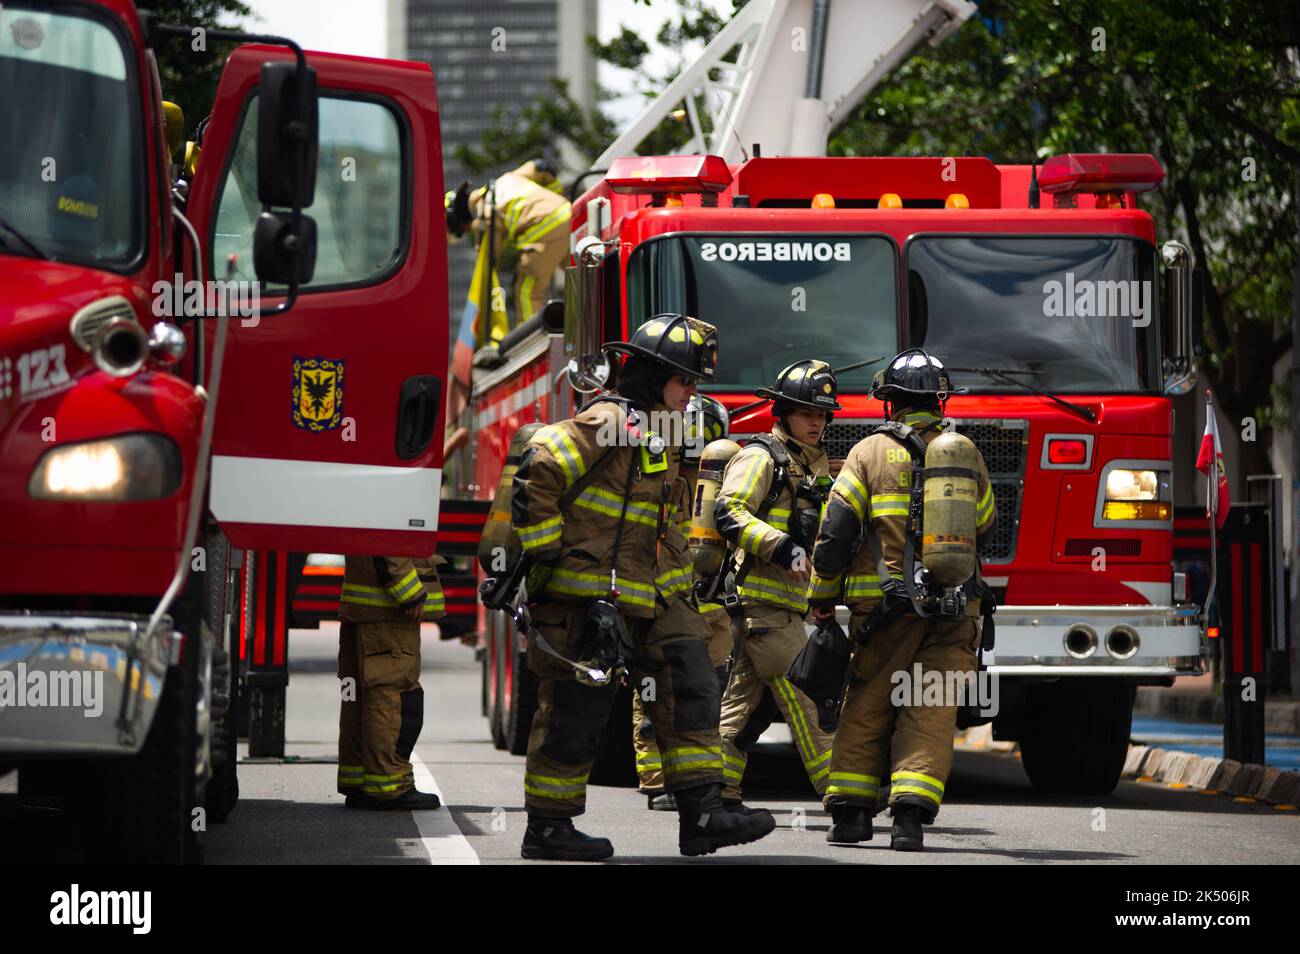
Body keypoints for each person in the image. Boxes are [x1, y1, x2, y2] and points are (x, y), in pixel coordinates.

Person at [511, 314, 776, 860]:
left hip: (652, 597)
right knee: (576, 710)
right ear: (655, 379)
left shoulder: (660, 435)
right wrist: (548, 554)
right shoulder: (608, 420)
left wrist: (682, 596)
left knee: (692, 683)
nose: (692, 395)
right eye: (687, 382)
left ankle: (703, 813)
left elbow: (657, 525)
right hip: (585, 600)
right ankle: (549, 828)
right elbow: (539, 464)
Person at [809, 349, 996, 851]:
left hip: (885, 609)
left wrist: (822, 597)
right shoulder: (965, 452)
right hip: (955, 606)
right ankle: (909, 820)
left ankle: (850, 817)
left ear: (889, 403)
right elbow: (984, 523)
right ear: (939, 401)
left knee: (869, 701)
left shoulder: (867, 453)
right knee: (930, 707)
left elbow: (835, 533)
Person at [713, 360, 838, 812]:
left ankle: (715, 790)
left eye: (823, 415)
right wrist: (780, 547)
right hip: (761, 605)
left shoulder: (814, 464)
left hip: (787, 607)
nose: (816, 422)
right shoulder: (760, 456)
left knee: (744, 710)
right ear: (783, 411)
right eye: (807, 412)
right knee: (807, 694)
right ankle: (842, 793)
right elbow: (728, 513)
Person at [634, 394, 735, 811]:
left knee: (680, 690)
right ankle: (669, 780)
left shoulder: (660, 474)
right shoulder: (685, 479)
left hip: (688, 600)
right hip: (689, 600)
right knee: (681, 690)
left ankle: (675, 780)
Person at [337, 554, 447, 809]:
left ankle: (359, 782)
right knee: (389, 698)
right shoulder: (391, 512)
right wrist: (410, 594)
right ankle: (389, 785)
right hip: (388, 616)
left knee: (359, 702)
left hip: (365, 615)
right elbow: (390, 545)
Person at [445, 158, 571, 357]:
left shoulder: (483, 215)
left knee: (525, 288)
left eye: (462, 229)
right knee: (579, 282)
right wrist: (555, 197)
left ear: (460, 220)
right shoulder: (507, 179)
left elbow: (489, 261)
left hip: (544, 230)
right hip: (568, 216)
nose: (467, 230)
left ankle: (535, 349)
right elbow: (542, 167)